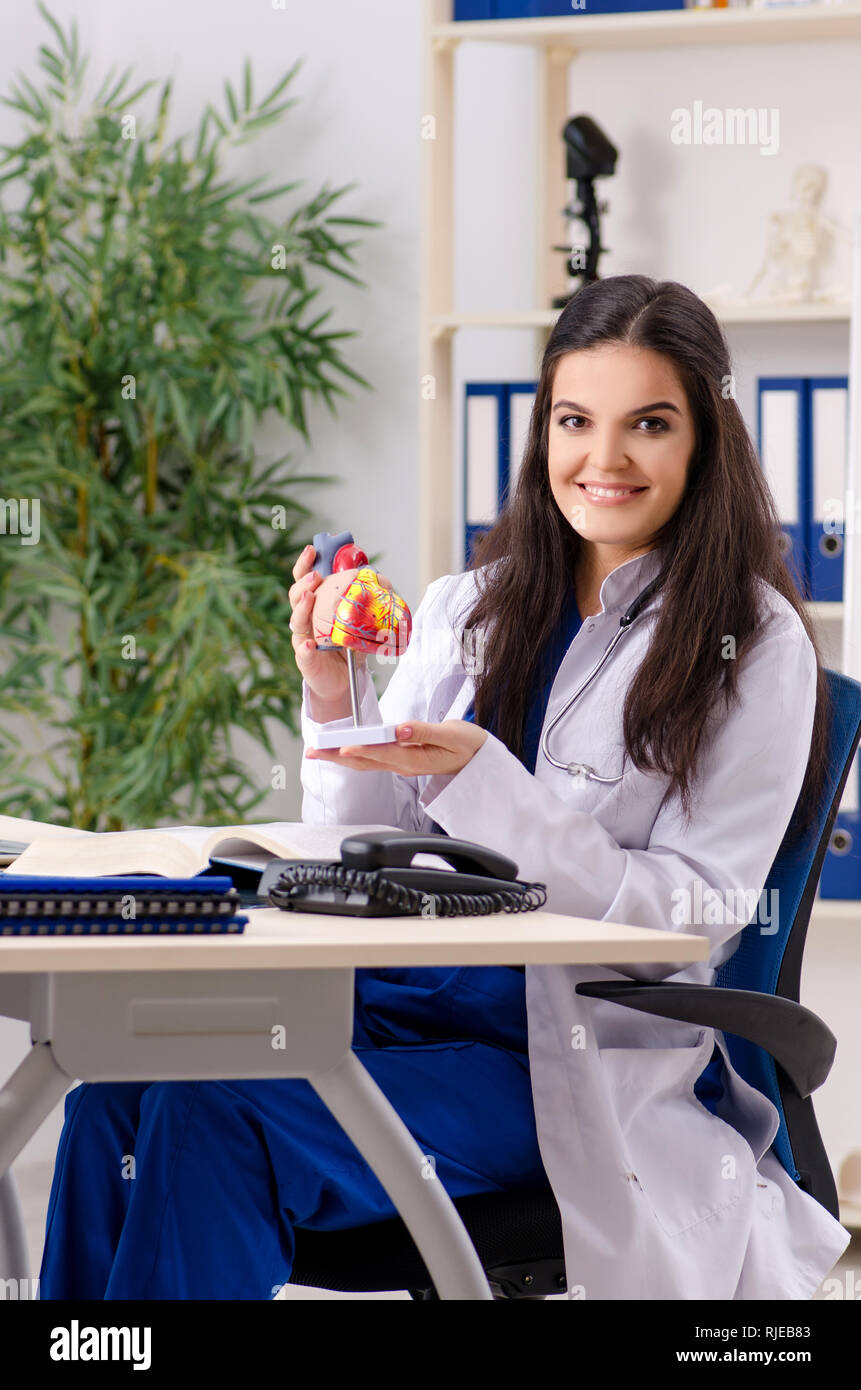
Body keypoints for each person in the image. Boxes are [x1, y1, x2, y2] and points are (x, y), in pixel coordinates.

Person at [39, 274, 849, 1300]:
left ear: (705, 439)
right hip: (383, 1012)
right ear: (542, 430)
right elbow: (361, 849)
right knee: (114, 1092)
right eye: (574, 420)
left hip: (561, 1061)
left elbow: (686, 920)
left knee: (215, 1109)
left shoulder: (753, 645)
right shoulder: (469, 605)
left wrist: (485, 782)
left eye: (649, 423)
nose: (603, 459)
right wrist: (336, 700)